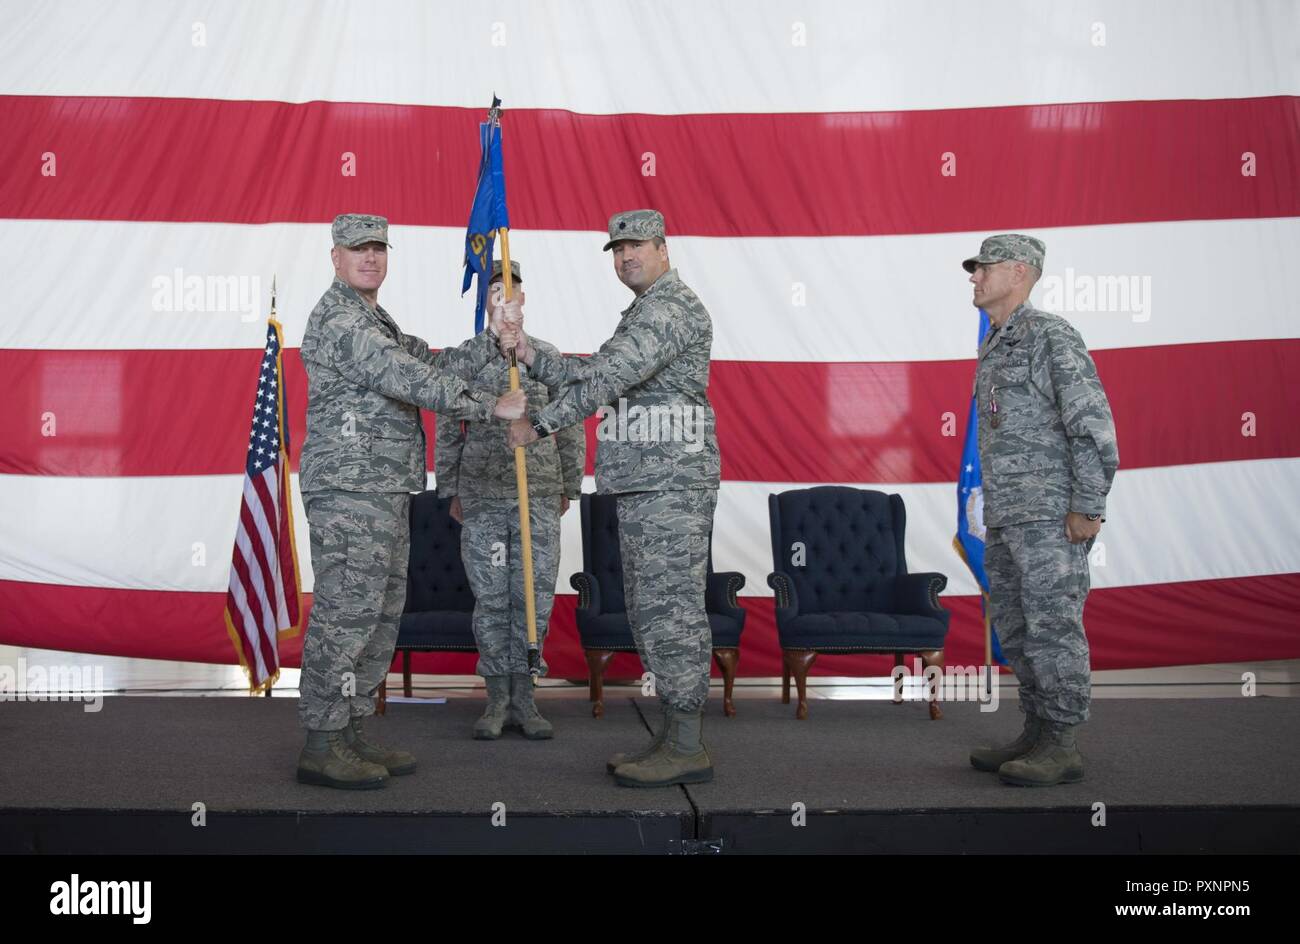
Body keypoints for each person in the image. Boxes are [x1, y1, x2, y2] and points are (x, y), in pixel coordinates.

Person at [296, 213, 526, 790]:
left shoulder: (378, 319)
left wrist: (492, 340)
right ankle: (321, 742)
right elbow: (405, 376)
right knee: (346, 614)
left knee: (377, 615)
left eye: (378, 248)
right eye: (358, 249)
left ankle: (349, 728)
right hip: (350, 489)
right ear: (335, 258)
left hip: (384, 488)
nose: (370, 258)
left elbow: (431, 362)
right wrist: (488, 404)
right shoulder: (339, 320)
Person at [505, 209, 721, 787]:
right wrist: (529, 354)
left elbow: (605, 380)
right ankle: (676, 735)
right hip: (648, 483)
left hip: (671, 483)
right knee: (654, 611)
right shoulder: (643, 313)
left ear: (663, 248)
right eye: (618, 249)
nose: (626, 257)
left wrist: (540, 424)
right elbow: (599, 371)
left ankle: (687, 742)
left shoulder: (670, 308)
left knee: (671, 612)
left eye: (637, 246)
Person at [963, 234, 1119, 787]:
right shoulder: (996, 343)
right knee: (1018, 627)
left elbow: (1092, 426)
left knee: (1054, 627)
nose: (974, 277)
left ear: (1021, 272)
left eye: (985, 268)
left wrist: (1088, 507)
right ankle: (1036, 728)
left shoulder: (1050, 335)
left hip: (1052, 516)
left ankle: (1062, 742)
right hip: (1008, 515)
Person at [436, 259, 585, 740]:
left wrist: (568, 484)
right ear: (485, 301)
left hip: (537, 493)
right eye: (495, 291)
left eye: (512, 292)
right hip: (481, 493)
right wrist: (451, 488)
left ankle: (527, 698)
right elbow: (446, 423)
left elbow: (571, 418)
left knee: (533, 598)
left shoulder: (544, 356)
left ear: (523, 300)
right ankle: (496, 699)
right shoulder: (466, 360)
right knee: (491, 599)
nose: (505, 300)